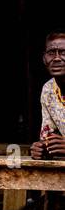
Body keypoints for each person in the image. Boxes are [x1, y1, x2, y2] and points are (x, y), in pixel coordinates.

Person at [30, 31, 65, 160]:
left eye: (63, 52)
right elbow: (50, 135)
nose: (56, 58)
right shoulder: (48, 90)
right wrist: (43, 148)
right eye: (51, 53)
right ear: (44, 59)